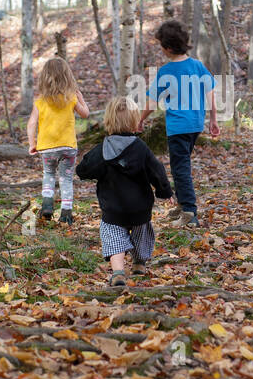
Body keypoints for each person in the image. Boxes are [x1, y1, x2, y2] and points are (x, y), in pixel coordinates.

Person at [76, 96, 173, 288]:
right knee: (141, 233)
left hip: (114, 208)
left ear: (109, 121)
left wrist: (85, 171)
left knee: (114, 238)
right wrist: (165, 191)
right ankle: (139, 263)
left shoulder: (102, 149)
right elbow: (157, 170)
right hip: (140, 207)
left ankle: (118, 272)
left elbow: (84, 169)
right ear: (134, 121)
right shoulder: (141, 148)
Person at [138, 20, 220, 227]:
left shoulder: (166, 72)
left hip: (178, 128)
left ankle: (190, 212)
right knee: (180, 165)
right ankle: (183, 204)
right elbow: (210, 93)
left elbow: (152, 102)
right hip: (195, 125)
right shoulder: (197, 66)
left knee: (180, 168)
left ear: (167, 48)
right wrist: (213, 119)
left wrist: (139, 119)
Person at [27, 56, 89, 223]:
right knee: (66, 178)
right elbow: (85, 114)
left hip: (47, 147)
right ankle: (66, 213)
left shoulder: (40, 101)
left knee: (48, 173)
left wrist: (32, 143)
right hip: (68, 147)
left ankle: (47, 204)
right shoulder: (71, 98)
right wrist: (81, 98)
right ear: (67, 76)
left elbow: (32, 123)